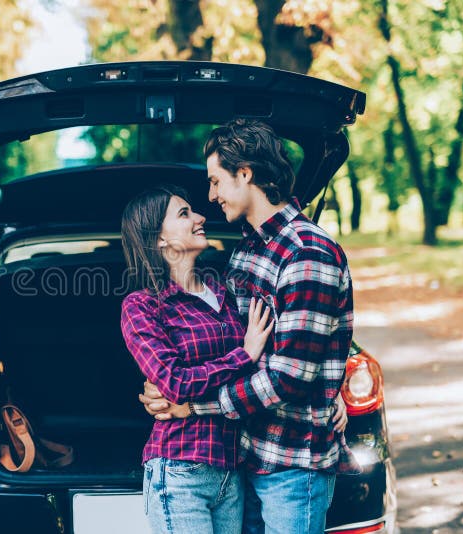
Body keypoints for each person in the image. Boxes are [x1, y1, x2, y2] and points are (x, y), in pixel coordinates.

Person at [140, 119, 358, 534]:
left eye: (216, 181)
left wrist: (190, 406)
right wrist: (167, 384)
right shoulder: (245, 254)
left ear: (245, 173)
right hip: (243, 457)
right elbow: (235, 348)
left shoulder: (307, 253)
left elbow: (290, 378)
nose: (211, 195)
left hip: (293, 465)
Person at [120, 184, 274, 534]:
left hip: (233, 468)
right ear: (158, 239)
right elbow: (174, 383)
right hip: (180, 469)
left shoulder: (226, 291)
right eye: (184, 213)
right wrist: (244, 355)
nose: (201, 217)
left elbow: (281, 354)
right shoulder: (142, 306)